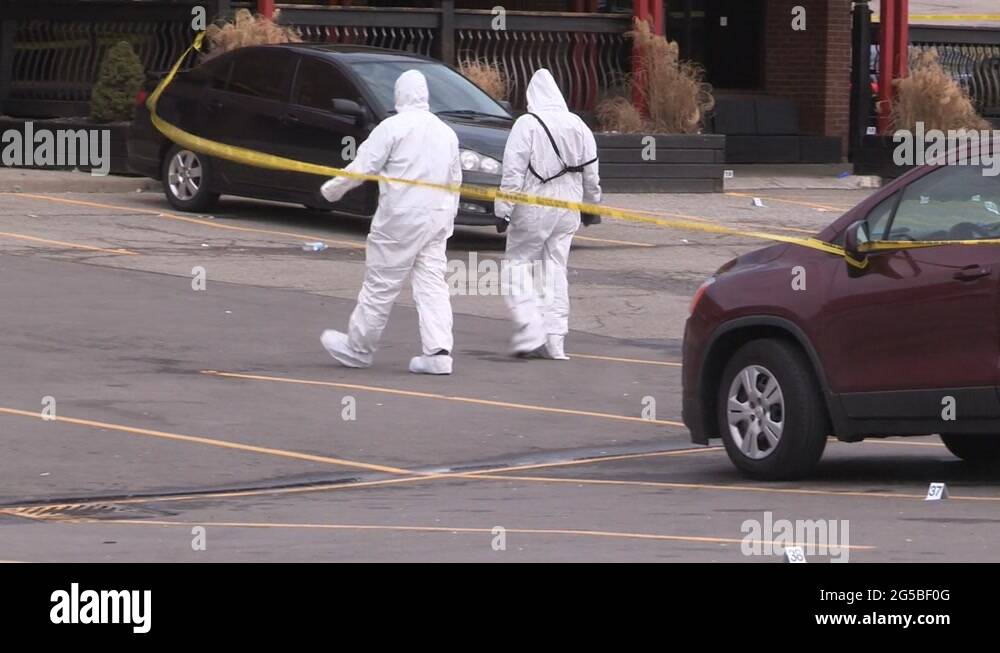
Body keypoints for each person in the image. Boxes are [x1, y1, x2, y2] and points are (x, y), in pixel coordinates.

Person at [319, 69, 461, 375]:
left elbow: (363, 165)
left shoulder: (392, 127)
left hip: (401, 218)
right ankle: (438, 352)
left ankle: (358, 348)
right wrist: (448, 218)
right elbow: (455, 182)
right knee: (432, 284)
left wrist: (332, 190)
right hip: (436, 219)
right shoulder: (446, 132)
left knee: (380, 285)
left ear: (399, 95)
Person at [494, 69, 601, 360]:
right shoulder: (578, 124)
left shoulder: (526, 124)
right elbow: (592, 172)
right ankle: (555, 339)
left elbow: (513, 171)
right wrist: (592, 205)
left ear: (532, 97)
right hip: (568, 209)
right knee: (555, 268)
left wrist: (503, 210)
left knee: (517, 264)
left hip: (534, 206)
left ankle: (530, 327)